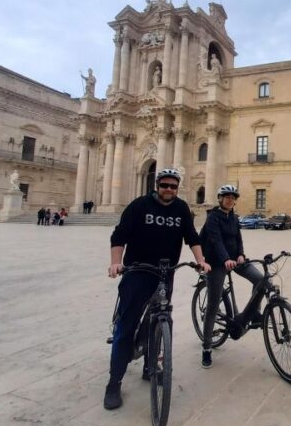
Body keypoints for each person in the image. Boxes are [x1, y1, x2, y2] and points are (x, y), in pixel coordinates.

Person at [104, 168, 211, 410]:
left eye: (173, 186)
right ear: (157, 186)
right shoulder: (139, 206)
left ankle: (150, 367)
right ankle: (114, 383)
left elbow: (192, 237)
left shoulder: (181, 208)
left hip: (165, 274)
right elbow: (119, 236)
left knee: (159, 320)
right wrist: (115, 263)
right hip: (138, 271)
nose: (169, 190)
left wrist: (201, 261)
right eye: (165, 185)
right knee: (126, 326)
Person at [199, 184, 266, 369]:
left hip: (234, 259)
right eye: (227, 197)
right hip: (216, 261)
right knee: (213, 306)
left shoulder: (234, 218)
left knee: (261, 280)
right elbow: (216, 241)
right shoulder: (213, 217)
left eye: (233, 197)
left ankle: (254, 313)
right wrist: (225, 259)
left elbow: (238, 239)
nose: (230, 200)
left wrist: (241, 254)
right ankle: (206, 347)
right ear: (220, 199)